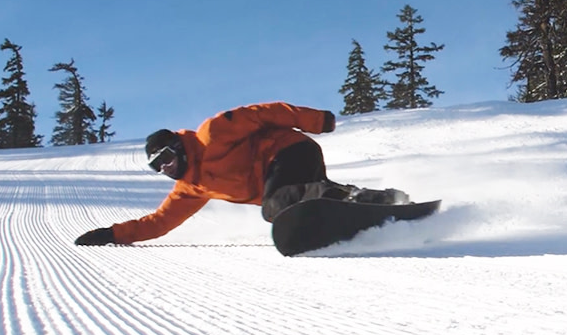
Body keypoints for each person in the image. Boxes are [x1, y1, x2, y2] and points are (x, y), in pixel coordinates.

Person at [74, 102, 409, 246]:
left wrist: (315, 121)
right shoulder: (190, 189)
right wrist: (113, 234)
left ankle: (346, 198)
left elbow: (264, 114)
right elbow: (158, 223)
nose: (165, 168)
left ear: (176, 145)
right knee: (291, 198)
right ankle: (382, 202)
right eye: (156, 167)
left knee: (276, 206)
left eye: (165, 158)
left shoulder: (212, 134)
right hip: (283, 180)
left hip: (289, 149)